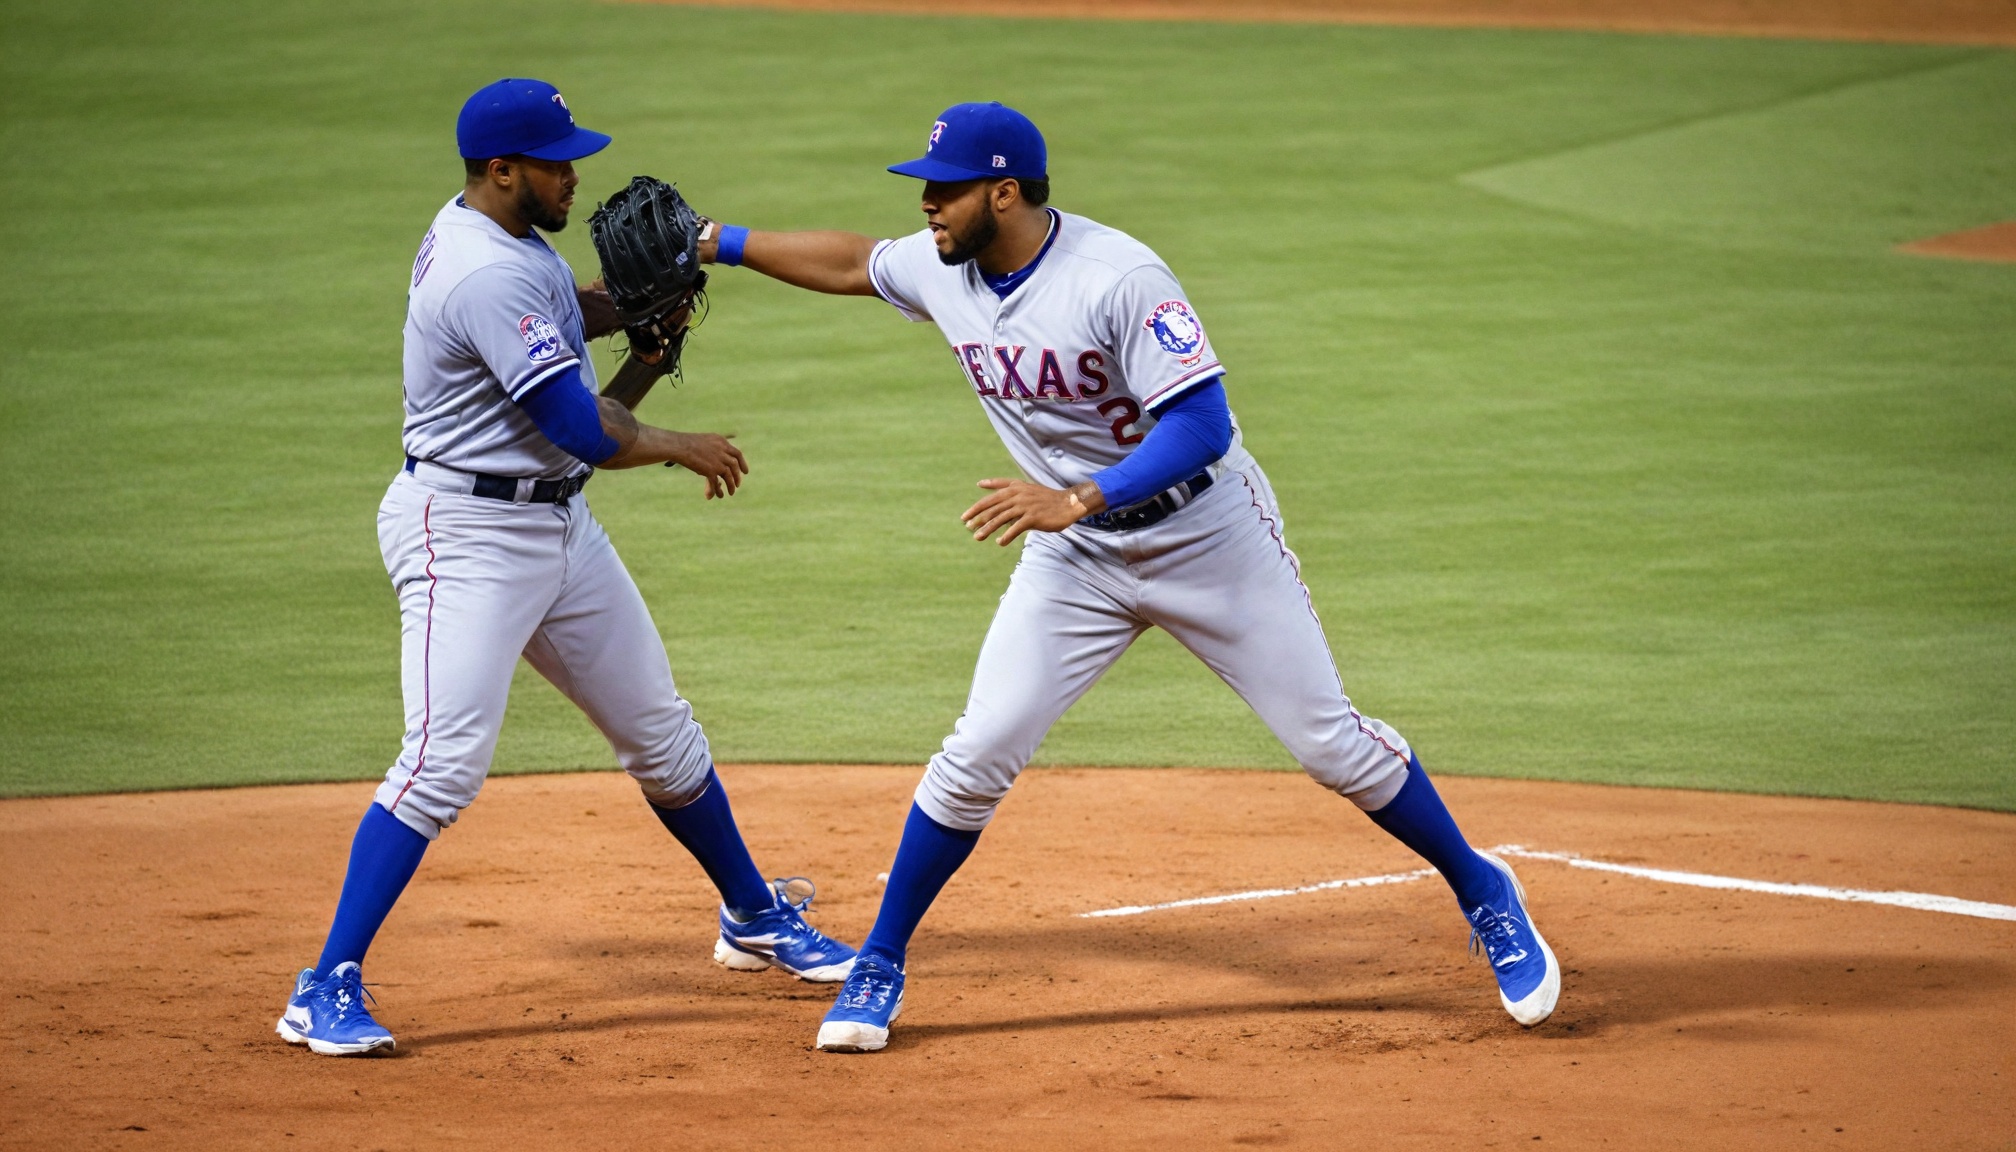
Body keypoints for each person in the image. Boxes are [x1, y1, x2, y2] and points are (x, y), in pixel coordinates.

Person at [695, 102, 1559, 1052]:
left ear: (1005, 191)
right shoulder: (945, 268)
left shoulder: (1118, 278)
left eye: (943, 189)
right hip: (1077, 557)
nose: (928, 206)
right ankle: (880, 962)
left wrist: (1078, 497)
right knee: (978, 750)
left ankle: (1486, 891)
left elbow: (1201, 427)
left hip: (1206, 536)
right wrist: (717, 242)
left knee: (1329, 745)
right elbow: (858, 261)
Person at [276, 78, 854, 1057]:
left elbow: (561, 332)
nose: (573, 176)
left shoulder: (508, 242)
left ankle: (751, 916)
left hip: (553, 527)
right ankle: (323, 983)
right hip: (462, 536)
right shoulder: (484, 274)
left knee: (661, 736)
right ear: (501, 172)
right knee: (439, 764)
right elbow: (587, 430)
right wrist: (685, 442)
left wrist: (637, 320)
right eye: (555, 163)